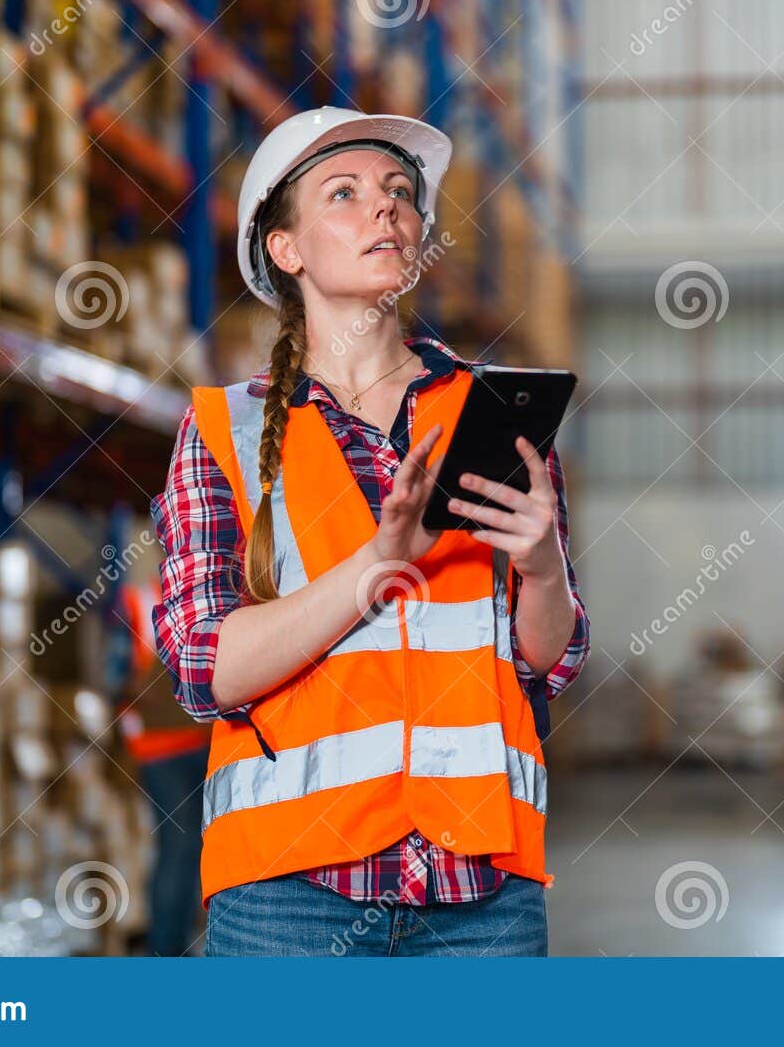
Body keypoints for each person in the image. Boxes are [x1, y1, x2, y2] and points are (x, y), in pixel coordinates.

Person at [149, 106, 590, 957]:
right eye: (344, 193)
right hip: (289, 895)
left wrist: (544, 569)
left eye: (398, 193)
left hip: (481, 891)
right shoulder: (227, 432)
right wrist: (378, 563)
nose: (384, 208)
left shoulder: (489, 412)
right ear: (287, 249)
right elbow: (207, 668)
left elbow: (548, 659)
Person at [112, 575, 212, 957]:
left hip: (202, 742)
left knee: (191, 847)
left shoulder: (153, 597)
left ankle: (179, 943)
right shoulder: (140, 601)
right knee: (180, 845)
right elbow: (113, 673)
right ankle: (167, 950)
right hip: (165, 745)